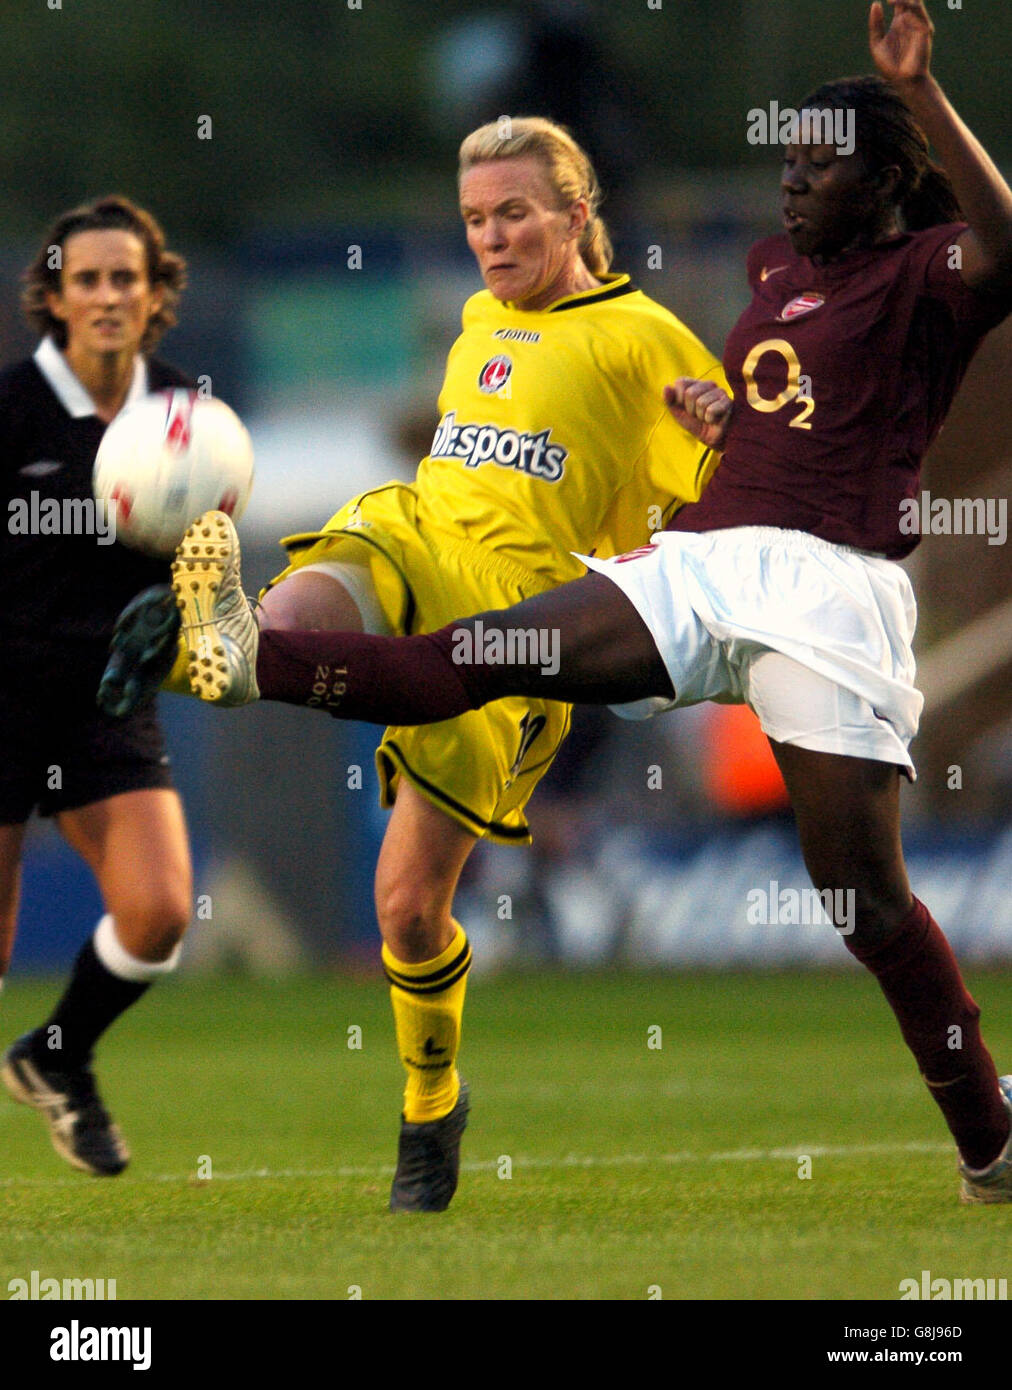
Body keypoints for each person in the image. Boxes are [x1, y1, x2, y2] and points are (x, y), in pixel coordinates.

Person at [162, 2, 1012, 1203]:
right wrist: (732, 428)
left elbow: (1002, 247)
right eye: (787, 161)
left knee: (862, 897)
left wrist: (922, 93)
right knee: (484, 653)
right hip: (705, 562)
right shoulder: (773, 276)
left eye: (821, 163)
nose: (793, 183)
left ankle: (989, 1133)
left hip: (826, 589)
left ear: (883, 182)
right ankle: (248, 655)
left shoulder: (930, 272)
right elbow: (773, 415)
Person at [103, 118, 726, 1211]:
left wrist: (724, 440)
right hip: (414, 535)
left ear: (577, 213)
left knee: (405, 909)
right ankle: (227, 645)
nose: (491, 239)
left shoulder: (645, 337)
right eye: (476, 219)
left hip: (523, 625)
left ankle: (432, 1102)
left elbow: (733, 495)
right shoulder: (478, 320)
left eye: (514, 214)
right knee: (295, 606)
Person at [0, 197, 194, 1176]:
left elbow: (199, 563)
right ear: (53, 295)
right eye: (88, 278)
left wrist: (195, 615)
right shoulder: (10, 411)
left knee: (160, 909)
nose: (110, 294)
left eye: (128, 276)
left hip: (103, 698)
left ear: (156, 291)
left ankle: (55, 1058)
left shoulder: (184, 414)